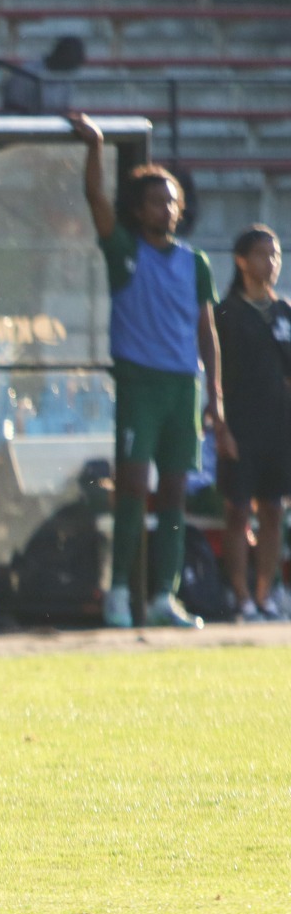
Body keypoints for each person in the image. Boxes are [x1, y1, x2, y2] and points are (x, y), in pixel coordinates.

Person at [68, 112, 227, 629]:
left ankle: (164, 595)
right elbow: (95, 199)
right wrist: (95, 148)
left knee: (175, 493)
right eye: (158, 200)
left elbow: (206, 331)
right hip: (140, 381)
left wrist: (215, 396)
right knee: (134, 486)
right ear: (138, 209)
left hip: (183, 386)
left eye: (173, 200)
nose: (167, 208)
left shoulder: (195, 262)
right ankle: (119, 590)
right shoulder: (123, 250)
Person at [211, 224, 291, 621]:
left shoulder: (283, 311)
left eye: (275, 255)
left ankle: (266, 593)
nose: (271, 262)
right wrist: (219, 425)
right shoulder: (226, 312)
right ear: (241, 261)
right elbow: (214, 372)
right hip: (240, 428)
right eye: (262, 254)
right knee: (239, 511)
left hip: (278, 428)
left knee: (273, 510)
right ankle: (240, 595)